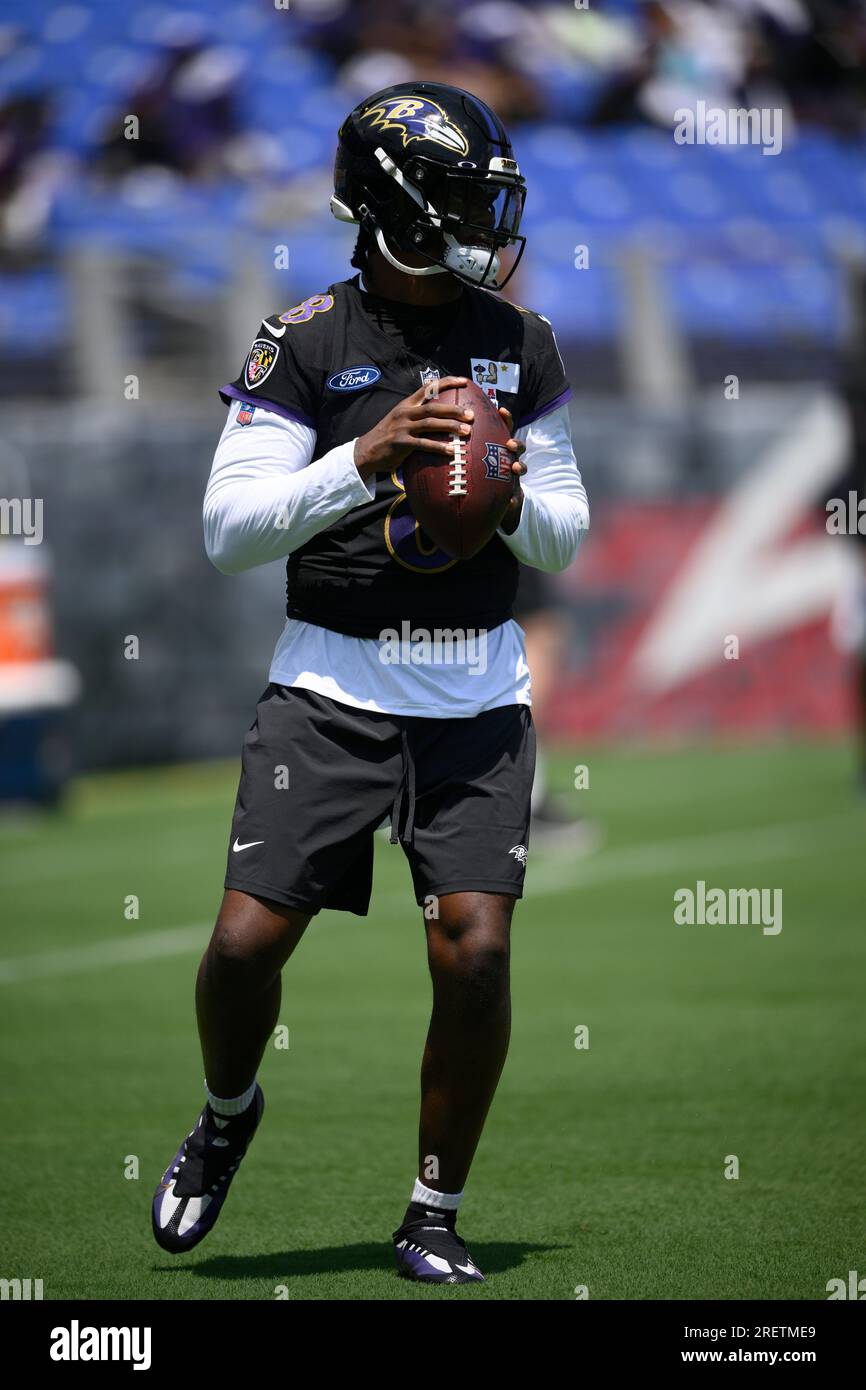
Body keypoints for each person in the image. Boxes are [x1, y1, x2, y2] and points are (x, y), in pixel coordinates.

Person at [152, 82, 589, 1285]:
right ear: (392, 200)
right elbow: (229, 530)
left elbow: (563, 532)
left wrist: (501, 497)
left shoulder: (519, 341)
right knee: (244, 947)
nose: (481, 221)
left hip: (476, 697)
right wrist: (366, 457)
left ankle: (431, 1213)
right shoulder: (302, 339)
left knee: (477, 950)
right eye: (457, 195)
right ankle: (227, 1113)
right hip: (327, 693)